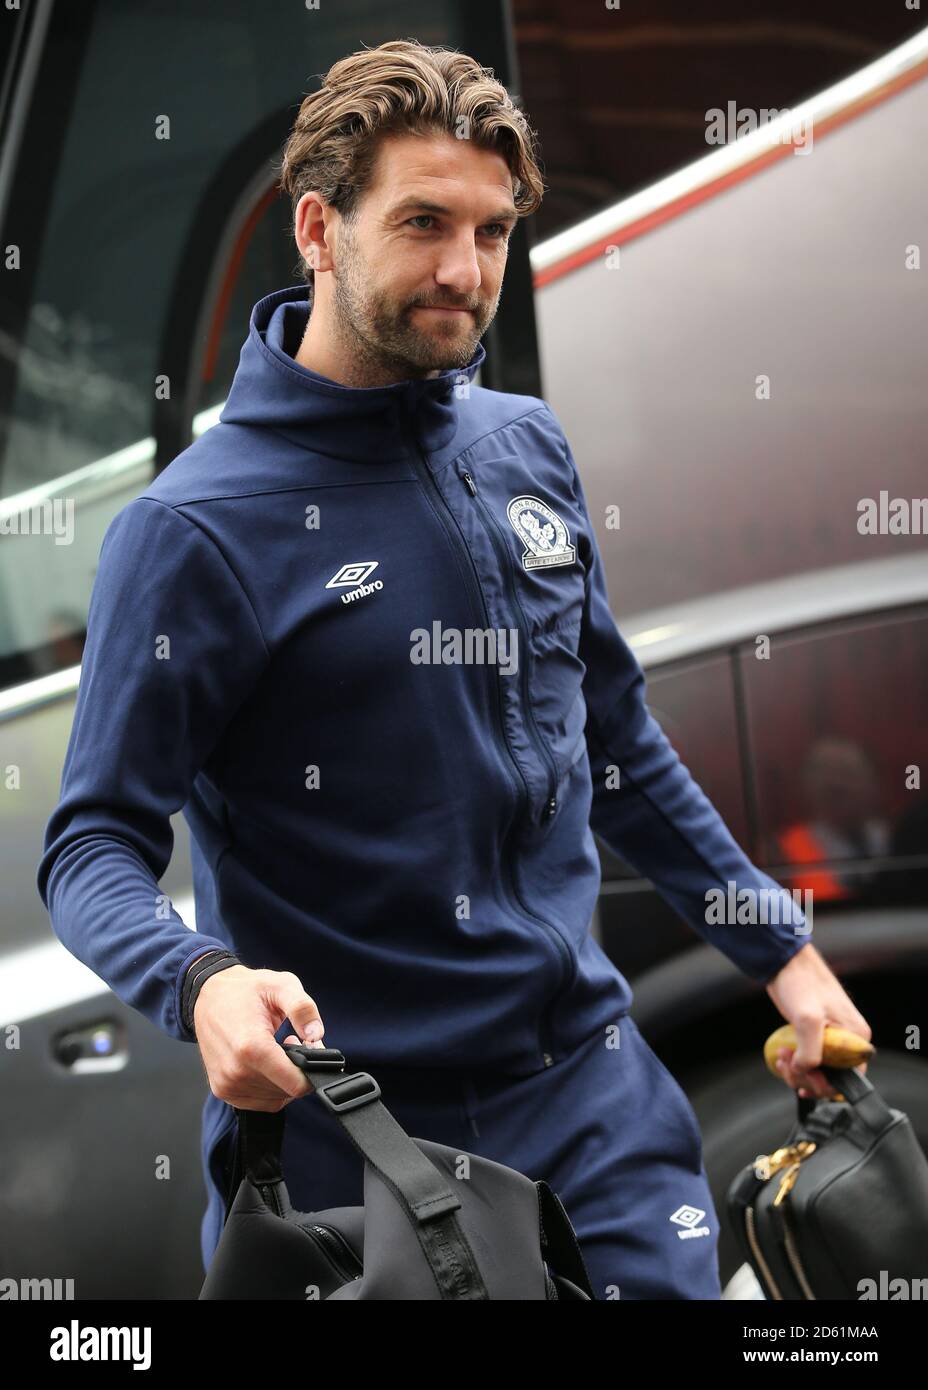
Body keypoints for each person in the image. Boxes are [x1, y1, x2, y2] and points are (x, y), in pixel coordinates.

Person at [37, 38, 871, 1300]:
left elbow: (620, 747)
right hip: (351, 1143)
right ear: (318, 228)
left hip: (594, 1105)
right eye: (423, 223)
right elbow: (89, 844)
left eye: (490, 232)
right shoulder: (193, 531)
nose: (462, 271)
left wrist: (783, 955)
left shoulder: (525, 445)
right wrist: (199, 981)